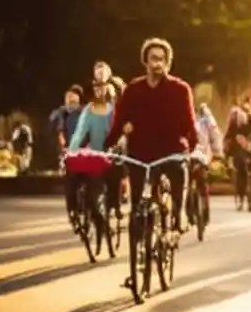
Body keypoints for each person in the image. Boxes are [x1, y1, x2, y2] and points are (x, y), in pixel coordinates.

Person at [106, 38, 197, 234]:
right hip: (141, 153)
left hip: (171, 150)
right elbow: (119, 121)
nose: (158, 63)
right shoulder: (133, 89)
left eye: (162, 59)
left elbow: (190, 123)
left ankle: (178, 214)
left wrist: (192, 147)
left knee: (179, 173)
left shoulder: (180, 90)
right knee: (138, 203)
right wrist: (108, 145)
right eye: (153, 58)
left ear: (168, 63)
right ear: (145, 62)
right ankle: (138, 236)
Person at [67, 74, 123, 221]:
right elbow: (80, 132)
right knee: (74, 174)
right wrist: (72, 151)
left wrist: (117, 146)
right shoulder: (88, 110)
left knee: (116, 172)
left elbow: (118, 131)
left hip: (111, 152)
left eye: (102, 87)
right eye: (96, 87)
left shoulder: (114, 110)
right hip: (94, 153)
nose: (99, 91)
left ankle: (115, 205)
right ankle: (73, 209)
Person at [224, 96, 251, 205]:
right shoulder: (236, 114)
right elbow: (230, 132)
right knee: (242, 172)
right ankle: (243, 196)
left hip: (250, 148)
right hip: (240, 149)